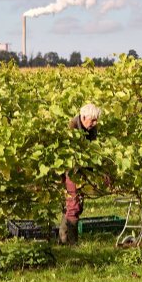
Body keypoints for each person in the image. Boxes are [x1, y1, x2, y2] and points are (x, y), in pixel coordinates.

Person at [59, 103, 101, 245]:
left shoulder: (92, 128)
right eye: (93, 120)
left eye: (96, 120)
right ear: (83, 117)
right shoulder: (71, 128)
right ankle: (71, 243)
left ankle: (63, 239)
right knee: (74, 204)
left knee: (77, 204)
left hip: (82, 168)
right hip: (70, 168)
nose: (95, 123)